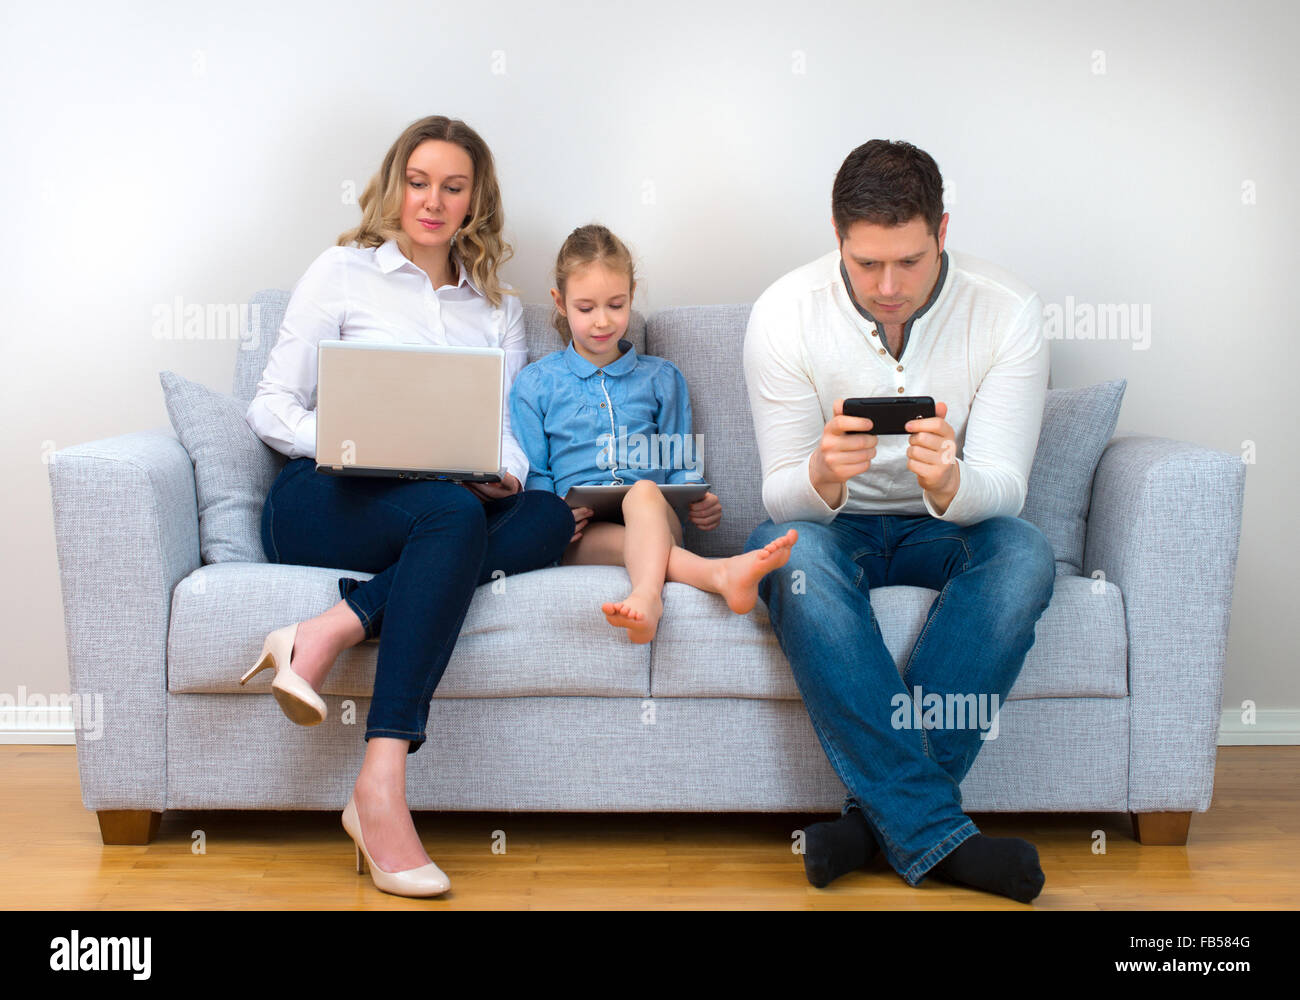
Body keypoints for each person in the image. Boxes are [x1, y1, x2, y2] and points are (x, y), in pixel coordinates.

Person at [242, 116, 574, 898]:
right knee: (452, 519)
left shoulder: (498, 308)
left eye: (452, 187)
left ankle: (329, 628)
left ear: (474, 200)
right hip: (326, 498)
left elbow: (511, 435)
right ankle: (382, 785)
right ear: (396, 186)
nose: (432, 201)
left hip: (440, 507)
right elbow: (270, 407)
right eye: (419, 182)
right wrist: (351, 441)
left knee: (549, 516)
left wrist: (502, 471)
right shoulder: (341, 271)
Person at [742, 140, 1056, 903]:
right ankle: (935, 835)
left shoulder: (1007, 308)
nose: (887, 287)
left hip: (945, 525)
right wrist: (819, 475)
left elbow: (1007, 487)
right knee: (786, 553)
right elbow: (780, 494)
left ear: (942, 232)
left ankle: (870, 827)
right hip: (835, 529)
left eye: (909, 262)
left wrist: (951, 481)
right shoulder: (784, 312)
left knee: (1023, 554)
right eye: (865, 263)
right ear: (837, 235)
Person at [508, 224, 798, 643]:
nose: (603, 321)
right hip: (582, 536)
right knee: (627, 534)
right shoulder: (535, 384)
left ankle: (646, 597)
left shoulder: (662, 378)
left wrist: (698, 498)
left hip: (655, 515)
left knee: (644, 491)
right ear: (560, 302)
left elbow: (680, 465)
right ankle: (720, 573)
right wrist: (553, 515)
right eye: (586, 308)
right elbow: (537, 474)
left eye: (616, 304)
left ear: (632, 292)